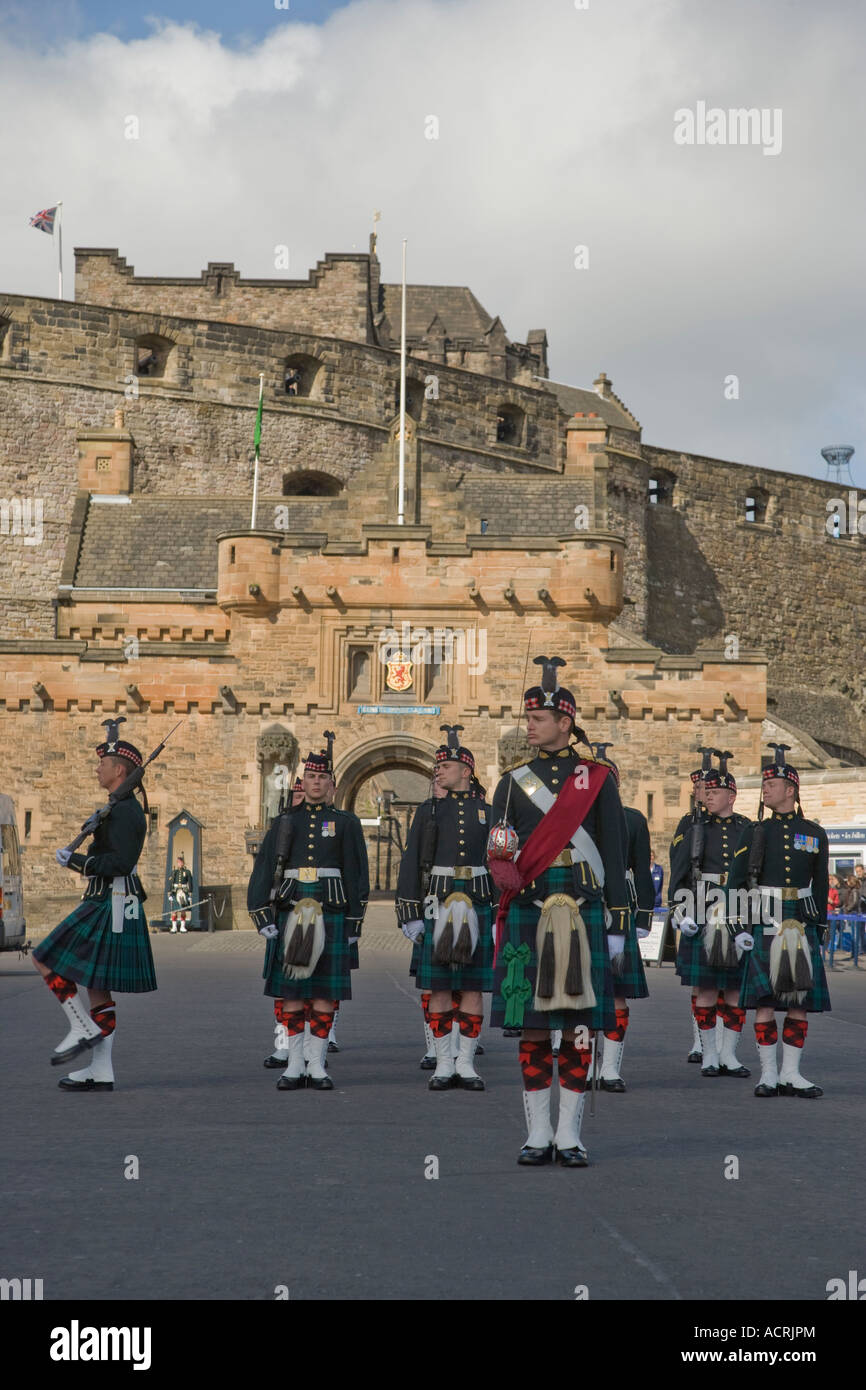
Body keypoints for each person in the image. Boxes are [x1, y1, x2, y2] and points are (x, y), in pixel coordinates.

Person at [487, 656, 630, 1168]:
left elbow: (613, 854)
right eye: (527, 718)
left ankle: (569, 1133)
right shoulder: (510, 783)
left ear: (564, 722)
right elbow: (500, 848)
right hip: (529, 908)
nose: (528, 725)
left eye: (537, 718)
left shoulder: (597, 778)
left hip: (584, 907)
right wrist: (499, 868)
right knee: (529, 1025)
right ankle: (537, 1133)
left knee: (577, 1027)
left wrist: (617, 921)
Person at [32, 718, 155, 1092]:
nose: (96, 768)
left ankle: (79, 1024)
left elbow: (119, 863)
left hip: (109, 897)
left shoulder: (126, 811)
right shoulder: (117, 806)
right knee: (98, 988)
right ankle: (101, 1069)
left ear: (119, 770)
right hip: (105, 896)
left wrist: (76, 861)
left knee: (43, 957)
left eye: (103, 764)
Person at [248, 739, 369, 1092]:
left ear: (332, 783)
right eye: (311, 776)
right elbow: (264, 868)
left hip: (330, 909)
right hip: (292, 906)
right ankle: (295, 1063)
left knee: (322, 994)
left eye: (322, 777)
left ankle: (316, 1064)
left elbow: (356, 873)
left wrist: (354, 921)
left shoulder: (345, 823)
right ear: (305, 779)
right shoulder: (285, 822)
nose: (316, 782)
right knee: (293, 994)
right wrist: (260, 914)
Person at [727, 743, 830, 1098]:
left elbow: (822, 883)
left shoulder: (815, 833)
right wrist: (738, 927)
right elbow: (734, 883)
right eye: (764, 785)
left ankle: (792, 1073)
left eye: (772, 785)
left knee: (799, 1002)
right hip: (764, 918)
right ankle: (768, 1074)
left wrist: (821, 925)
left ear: (790, 789)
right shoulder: (755, 832)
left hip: (801, 923)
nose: (765, 789)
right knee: (766, 1001)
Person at [396, 727, 494, 1091]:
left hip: (479, 899)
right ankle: (443, 1062)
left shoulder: (489, 810)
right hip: (437, 903)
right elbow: (410, 863)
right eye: (437, 767)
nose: (438, 771)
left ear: (466, 770)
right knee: (438, 987)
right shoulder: (428, 811)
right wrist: (409, 913)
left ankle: (466, 1064)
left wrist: (500, 913)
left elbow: (501, 864)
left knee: (472, 988)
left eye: (446, 766)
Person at [671, 751, 753, 1078]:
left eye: (714, 792)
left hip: (737, 908)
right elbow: (679, 872)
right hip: (703, 906)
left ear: (731, 795)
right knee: (705, 988)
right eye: (706, 792)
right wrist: (680, 909)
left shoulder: (748, 828)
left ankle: (729, 1054)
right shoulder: (694, 827)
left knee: (734, 989)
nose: (707, 796)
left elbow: (752, 875)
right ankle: (707, 1052)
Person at [590, 745, 651, 1093]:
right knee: (577, 990)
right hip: (579, 906)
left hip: (619, 909)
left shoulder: (632, 820)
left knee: (615, 992)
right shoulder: (573, 820)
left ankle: (610, 1067)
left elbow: (641, 870)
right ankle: (583, 1065)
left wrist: (642, 917)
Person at [669, 754, 710, 1063]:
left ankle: (721, 1043)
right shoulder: (687, 823)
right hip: (695, 904)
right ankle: (699, 1040)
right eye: (697, 788)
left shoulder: (736, 825)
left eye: (705, 788)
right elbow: (678, 865)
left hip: (726, 907)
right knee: (700, 984)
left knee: (727, 986)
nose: (700, 793)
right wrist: (678, 908)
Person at [169, 853, 194, 932]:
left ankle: (182, 927)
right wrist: (170, 893)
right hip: (175, 892)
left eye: (180, 862)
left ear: (183, 863)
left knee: (183, 910)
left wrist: (190, 893)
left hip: (184, 892)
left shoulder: (187, 872)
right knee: (174, 911)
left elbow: (190, 883)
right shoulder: (174, 872)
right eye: (178, 862)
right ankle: (174, 927)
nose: (179, 864)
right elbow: (171, 883)